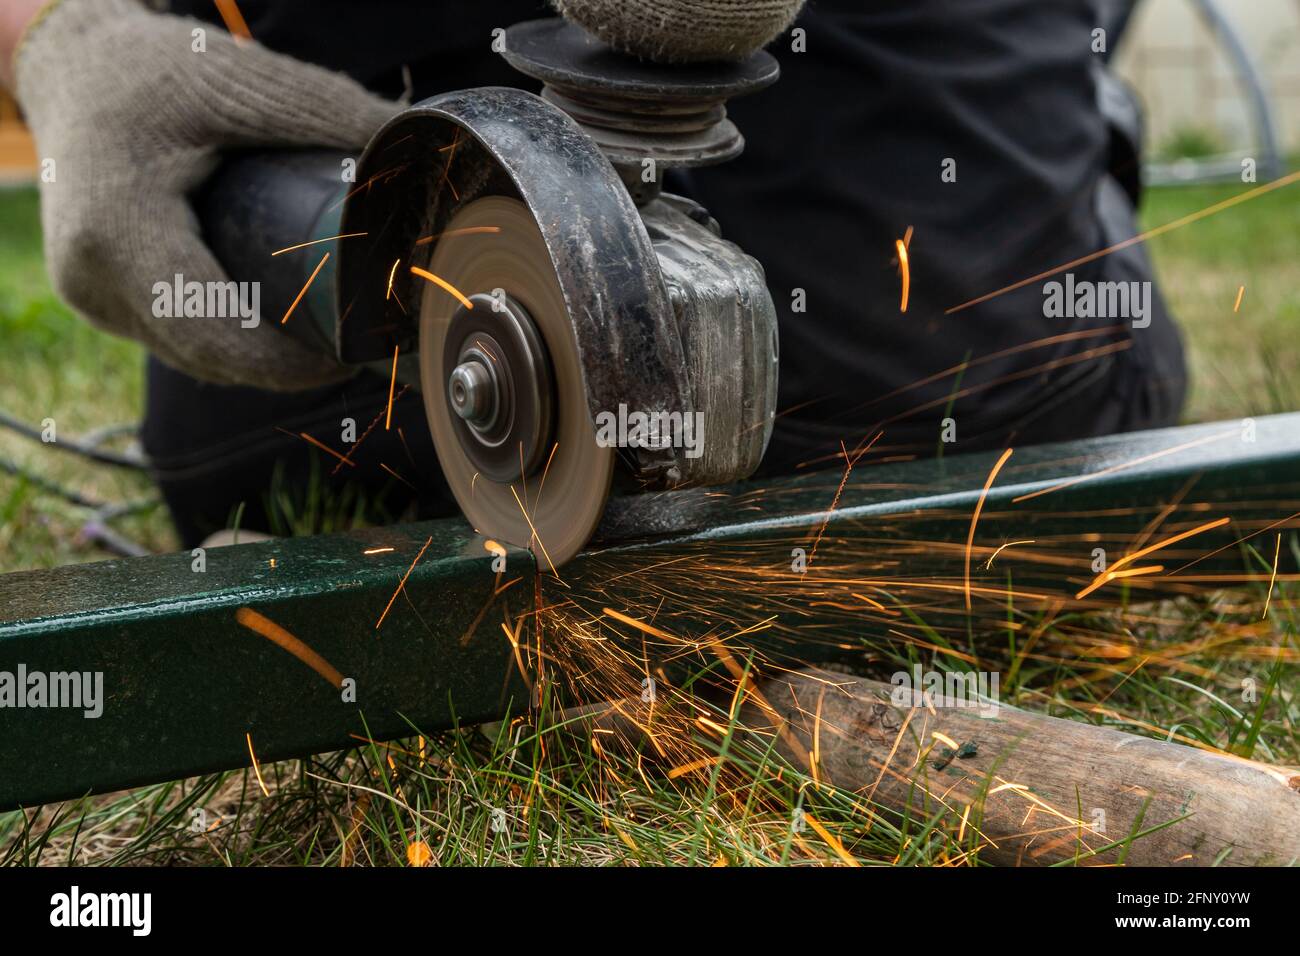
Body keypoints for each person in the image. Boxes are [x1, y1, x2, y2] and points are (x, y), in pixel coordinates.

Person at [1, 0, 1186, 547]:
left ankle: (1079, 127)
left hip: (849, 55)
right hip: (376, 61)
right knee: (259, 462)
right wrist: (52, 38)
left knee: (978, 389)